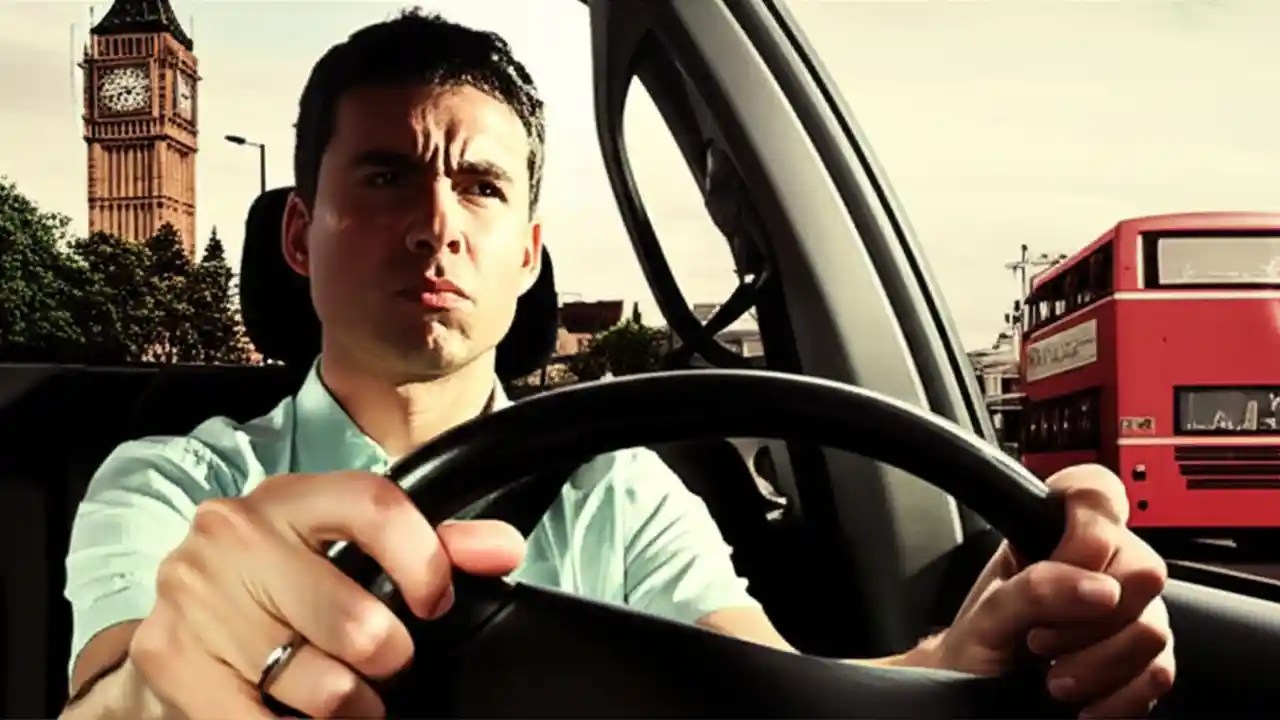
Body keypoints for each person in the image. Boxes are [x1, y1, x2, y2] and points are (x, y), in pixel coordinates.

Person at [60, 10, 1174, 720]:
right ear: (299, 236)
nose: (437, 224)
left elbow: (769, 696)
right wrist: (159, 691)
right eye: (389, 179)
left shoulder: (624, 490)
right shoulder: (173, 484)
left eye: (483, 187)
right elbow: (114, 689)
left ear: (527, 254)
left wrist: (955, 660)